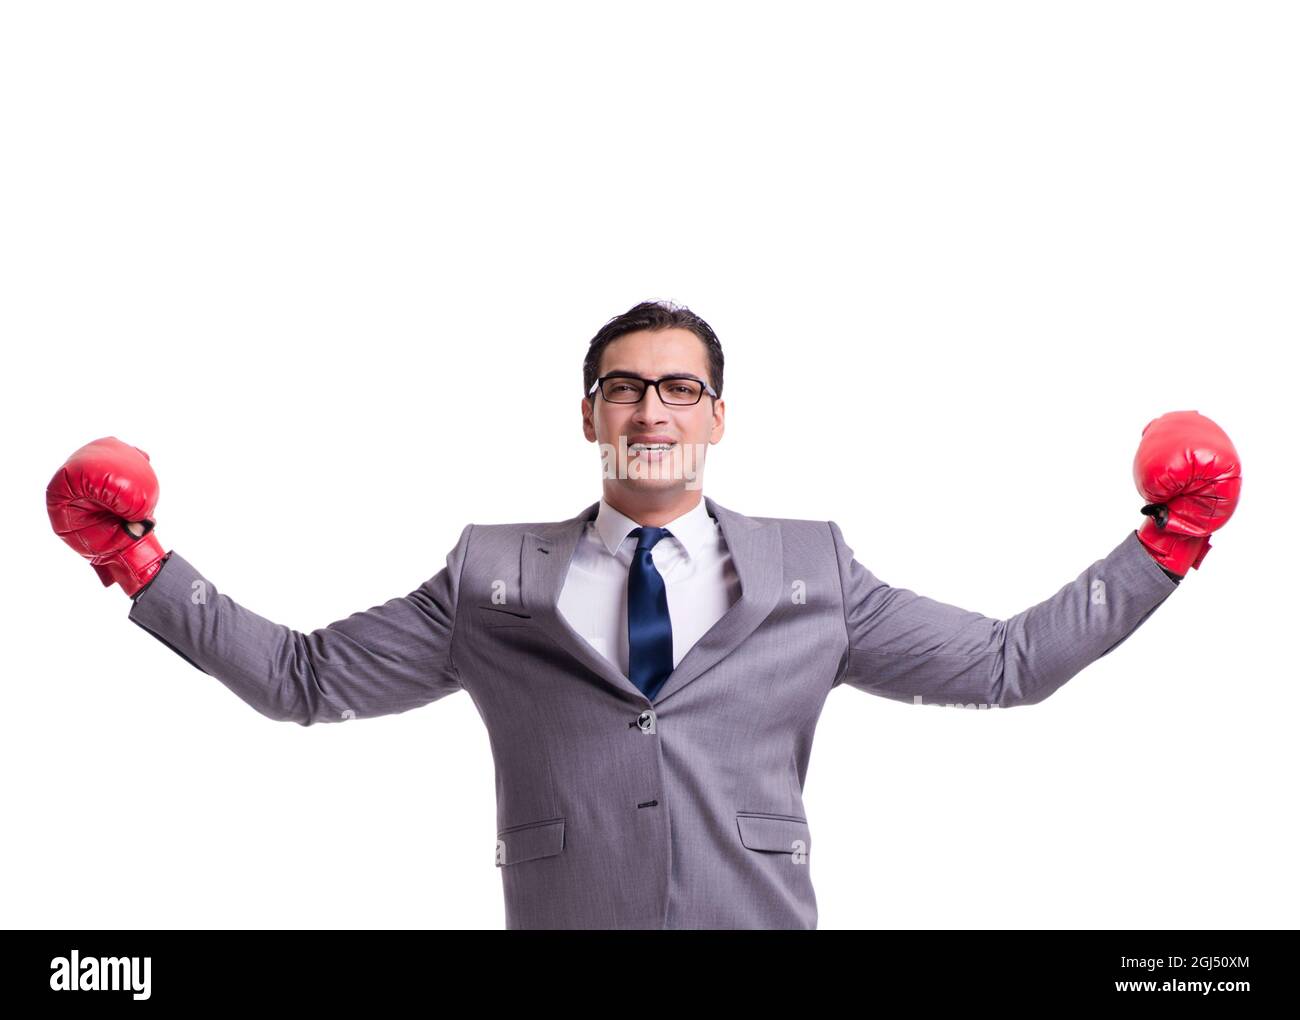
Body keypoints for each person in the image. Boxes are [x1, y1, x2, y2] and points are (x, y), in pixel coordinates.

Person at [45, 300, 1243, 929]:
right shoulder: (488, 572)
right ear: (588, 417)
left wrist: (1167, 543)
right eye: (624, 388)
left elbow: (1002, 665)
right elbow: (304, 680)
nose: (651, 409)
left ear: (719, 415)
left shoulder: (812, 572)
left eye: (679, 387)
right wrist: (140, 562)